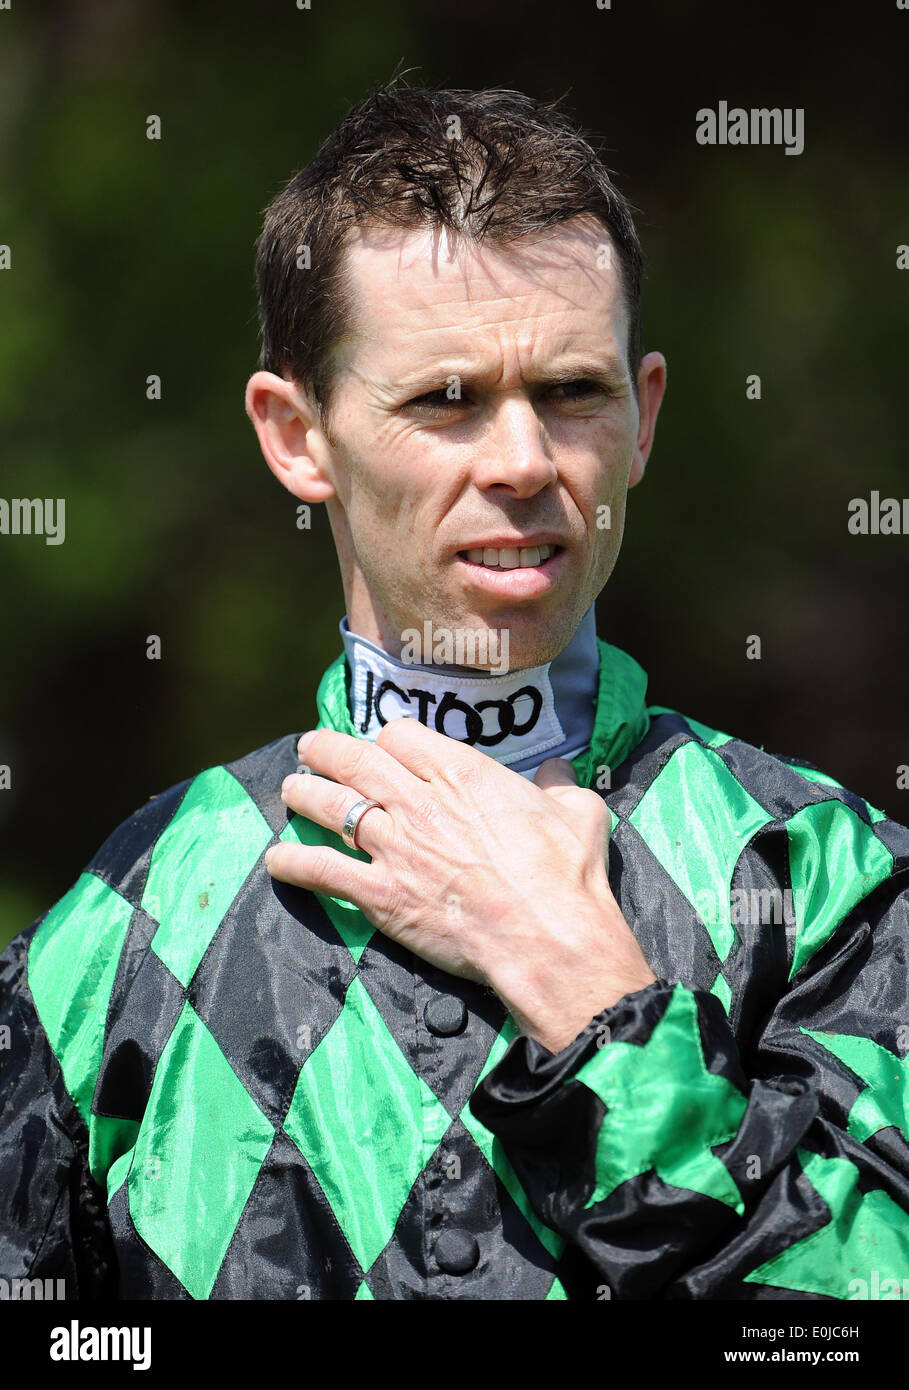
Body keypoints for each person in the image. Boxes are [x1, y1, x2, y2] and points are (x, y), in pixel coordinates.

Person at [1, 80, 908, 1303]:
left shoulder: (829, 876)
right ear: (296, 435)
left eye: (572, 392)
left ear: (642, 419)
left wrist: (598, 1003)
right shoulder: (125, 919)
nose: (526, 461)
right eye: (446, 400)